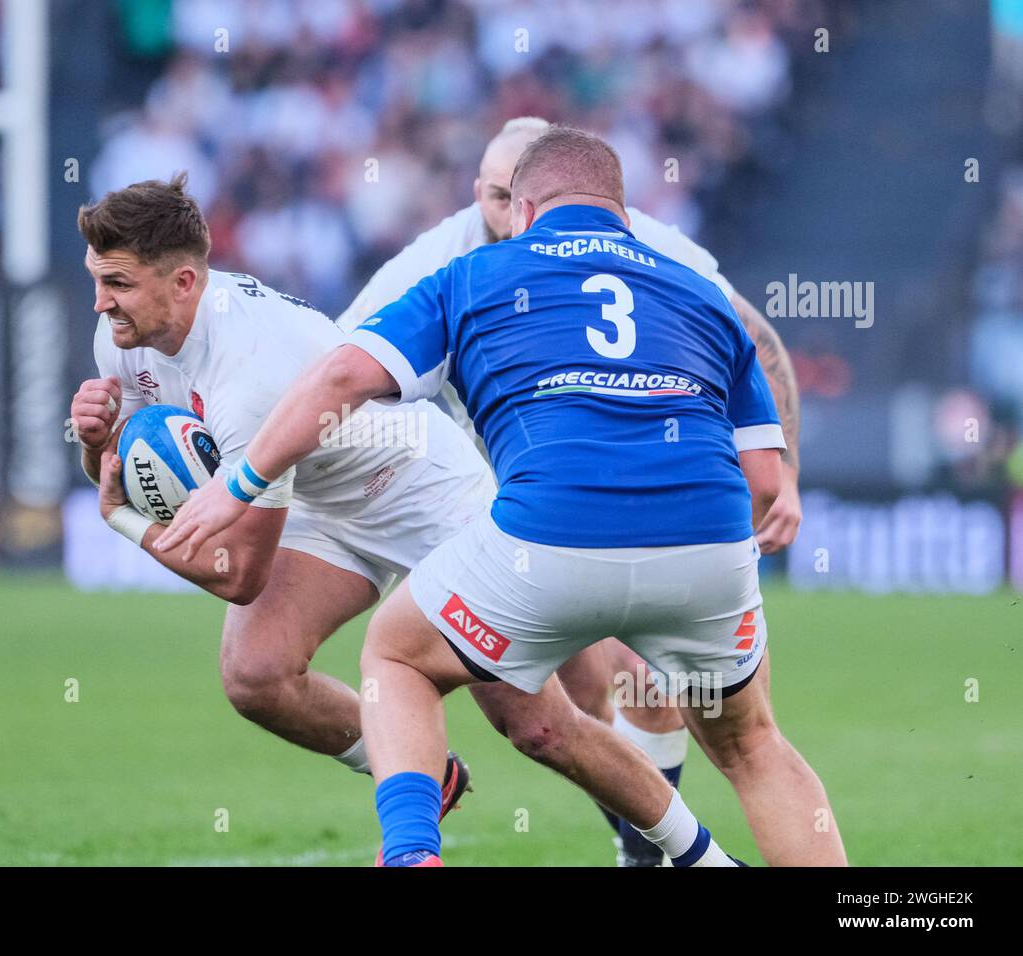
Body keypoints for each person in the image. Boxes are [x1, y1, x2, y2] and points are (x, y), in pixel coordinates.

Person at [161, 128, 846, 867]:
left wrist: (240, 484)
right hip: (707, 543)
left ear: (522, 210)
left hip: (546, 534)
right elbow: (765, 479)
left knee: (398, 657)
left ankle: (415, 853)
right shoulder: (696, 286)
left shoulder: (472, 274)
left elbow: (336, 380)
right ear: (624, 213)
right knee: (753, 746)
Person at [338, 115, 805, 866]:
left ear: (532, 199)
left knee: (593, 691)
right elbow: (342, 366)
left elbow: (757, 340)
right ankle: (678, 857)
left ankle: (649, 854)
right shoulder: (443, 257)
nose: (499, 212)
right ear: (483, 195)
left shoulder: (638, 251)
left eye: (508, 196)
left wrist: (246, 482)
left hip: (565, 508)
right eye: (489, 194)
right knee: (568, 722)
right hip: (507, 502)